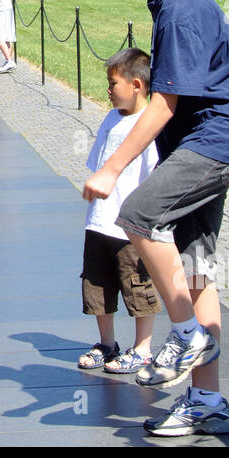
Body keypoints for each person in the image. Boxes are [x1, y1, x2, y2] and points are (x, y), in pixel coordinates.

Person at [82, 0, 229, 437]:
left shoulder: (182, 7)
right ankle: (208, 400)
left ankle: (185, 332)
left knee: (137, 214)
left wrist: (112, 170)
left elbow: (163, 102)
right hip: (202, 144)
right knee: (195, 270)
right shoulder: (168, 5)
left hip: (216, 143)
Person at [77, 48, 161, 372]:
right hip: (99, 219)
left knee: (136, 283)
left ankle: (143, 347)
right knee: (97, 283)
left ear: (137, 84)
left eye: (113, 83)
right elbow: (98, 163)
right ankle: (107, 343)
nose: (108, 90)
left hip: (130, 224)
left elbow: (153, 176)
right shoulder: (111, 118)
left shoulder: (150, 123)